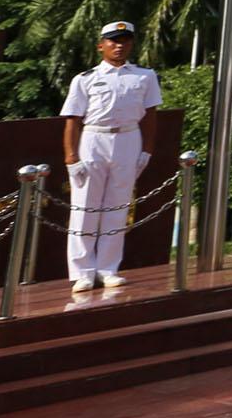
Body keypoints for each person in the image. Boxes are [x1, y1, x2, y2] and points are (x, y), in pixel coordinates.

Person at [60, 20, 161, 293]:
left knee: (117, 206)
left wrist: (147, 150)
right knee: (85, 207)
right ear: (101, 45)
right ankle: (82, 271)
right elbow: (72, 119)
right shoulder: (85, 78)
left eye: (125, 40)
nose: (119, 45)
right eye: (114, 41)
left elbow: (151, 115)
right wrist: (71, 156)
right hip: (94, 138)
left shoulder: (144, 76)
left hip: (128, 137)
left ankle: (107, 268)